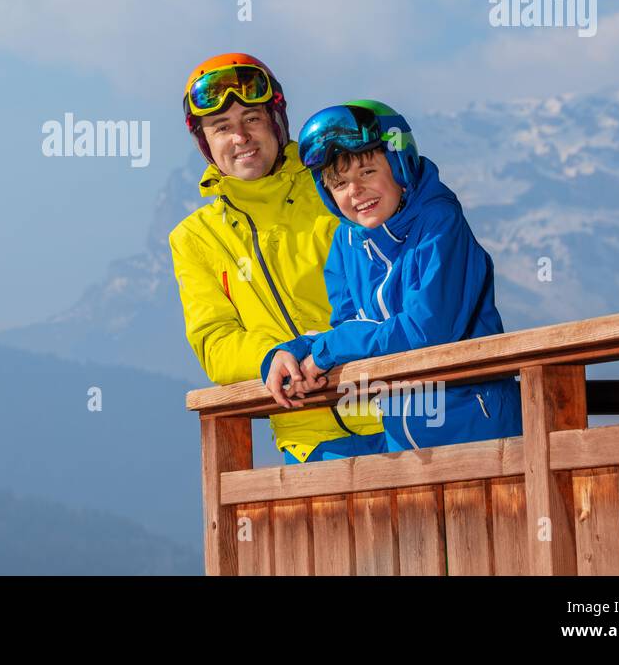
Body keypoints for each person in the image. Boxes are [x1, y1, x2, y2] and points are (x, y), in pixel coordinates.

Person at [259, 100, 522, 451]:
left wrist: (326, 349)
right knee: (319, 468)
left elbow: (426, 332)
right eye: (339, 184)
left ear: (400, 164)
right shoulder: (346, 241)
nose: (355, 191)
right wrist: (290, 353)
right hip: (406, 438)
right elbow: (348, 331)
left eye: (367, 173)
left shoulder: (439, 223)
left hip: (478, 430)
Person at [168, 55, 385, 463]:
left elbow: (391, 283)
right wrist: (274, 355)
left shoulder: (334, 187)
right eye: (222, 128)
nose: (240, 137)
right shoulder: (195, 239)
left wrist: (321, 350)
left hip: (401, 412)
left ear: (276, 120)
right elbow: (215, 342)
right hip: (312, 441)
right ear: (205, 142)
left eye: (251, 118)